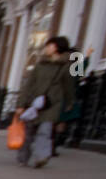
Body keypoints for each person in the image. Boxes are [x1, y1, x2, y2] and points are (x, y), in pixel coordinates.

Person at [16, 35, 77, 169]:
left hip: (52, 103)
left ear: (57, 48)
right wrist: (21, 104)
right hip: (34, 103)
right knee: (29, 133)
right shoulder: (40, 65)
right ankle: (23, 157)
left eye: (49, 46)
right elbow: (29, 85)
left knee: (45, 130)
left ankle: (41, 157)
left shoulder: (67, 67)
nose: (46, 48)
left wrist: (69, 103)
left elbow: (69, 86)